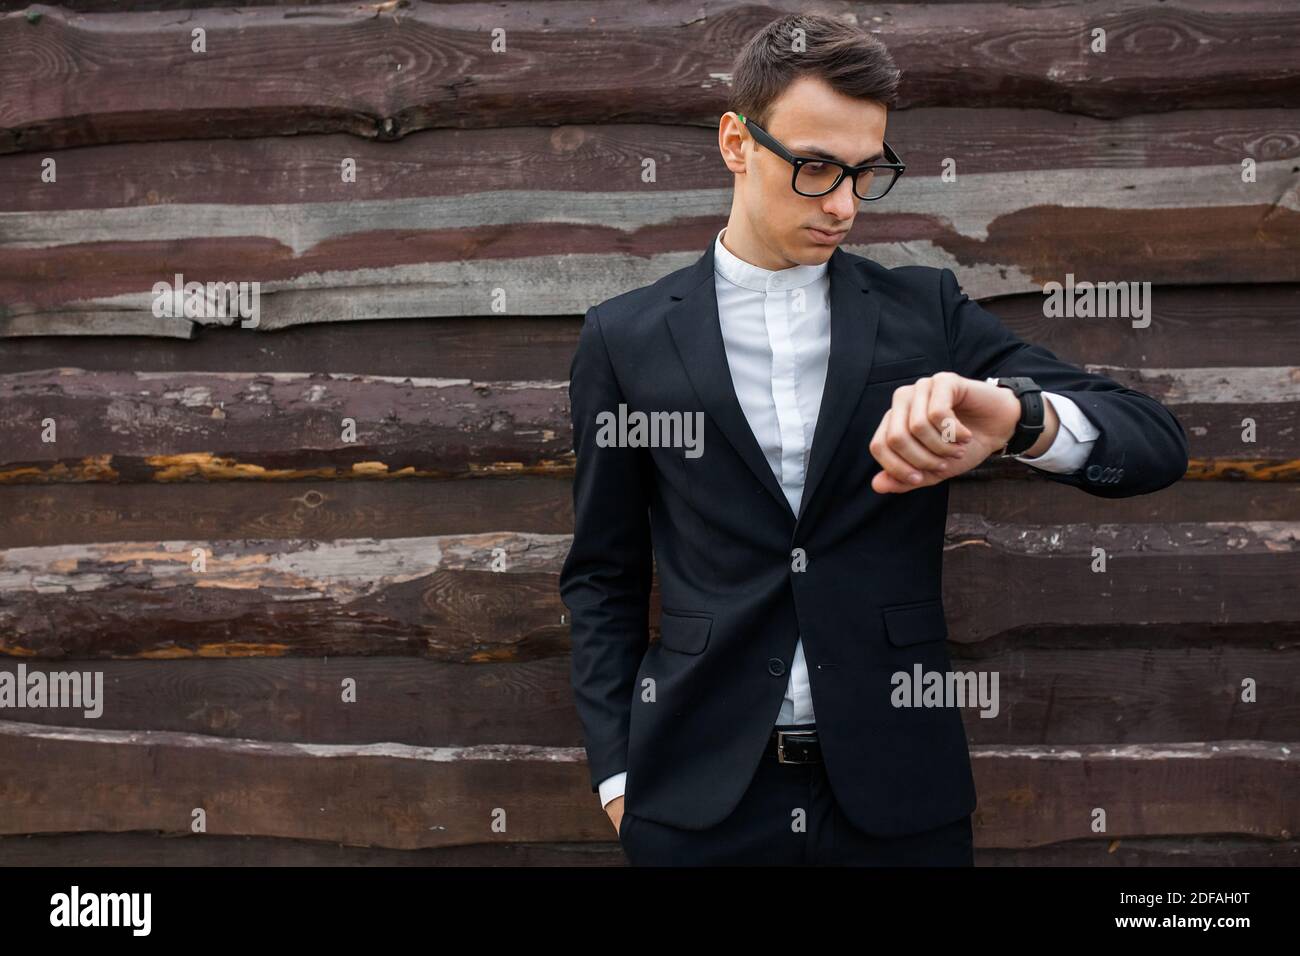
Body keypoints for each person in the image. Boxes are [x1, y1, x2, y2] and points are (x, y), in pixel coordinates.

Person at [559, 13, 1188, 866]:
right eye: (815, 168)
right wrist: (618, 779)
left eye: (867, 172)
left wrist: (1014, 419)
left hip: (898, 802)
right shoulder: (624, 338)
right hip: (693, 803)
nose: (845, 204)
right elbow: (603, 572)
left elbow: (1154, 443)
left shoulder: (924, 312)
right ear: (737, 144)